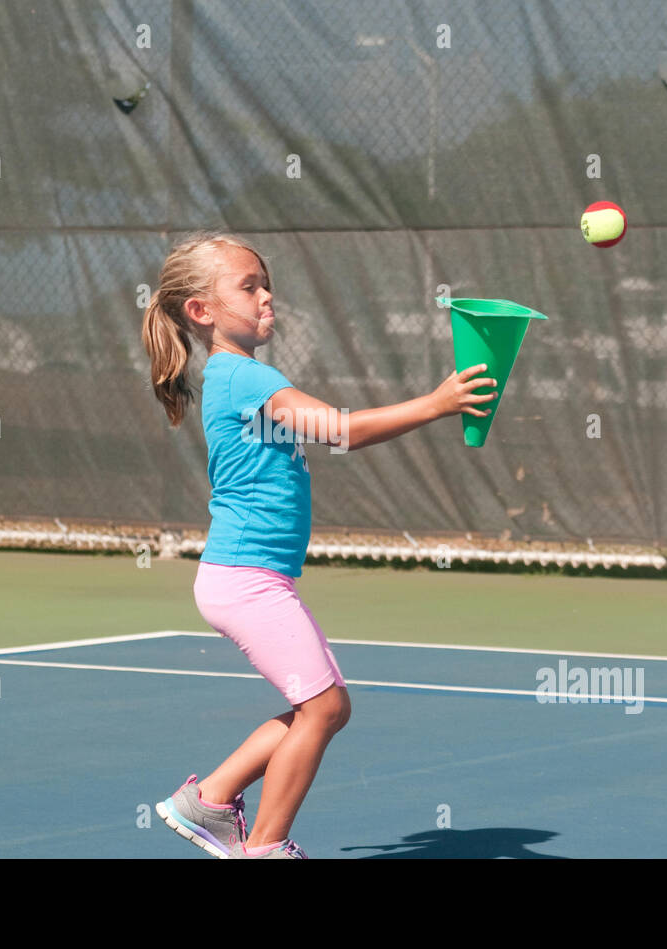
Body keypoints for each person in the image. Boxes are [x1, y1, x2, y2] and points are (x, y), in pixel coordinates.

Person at [142, 232, 495, 857]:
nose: (265, 294)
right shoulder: (244, 377)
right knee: (326, 707)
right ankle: (265, 847)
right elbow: (342, 430)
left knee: (323, 707)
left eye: (265, 282)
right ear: (200, 310)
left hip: (250, 577)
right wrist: (438, 403)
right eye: (247, 287)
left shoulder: (239, 376)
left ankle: (210, 800)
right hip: (245, 578)